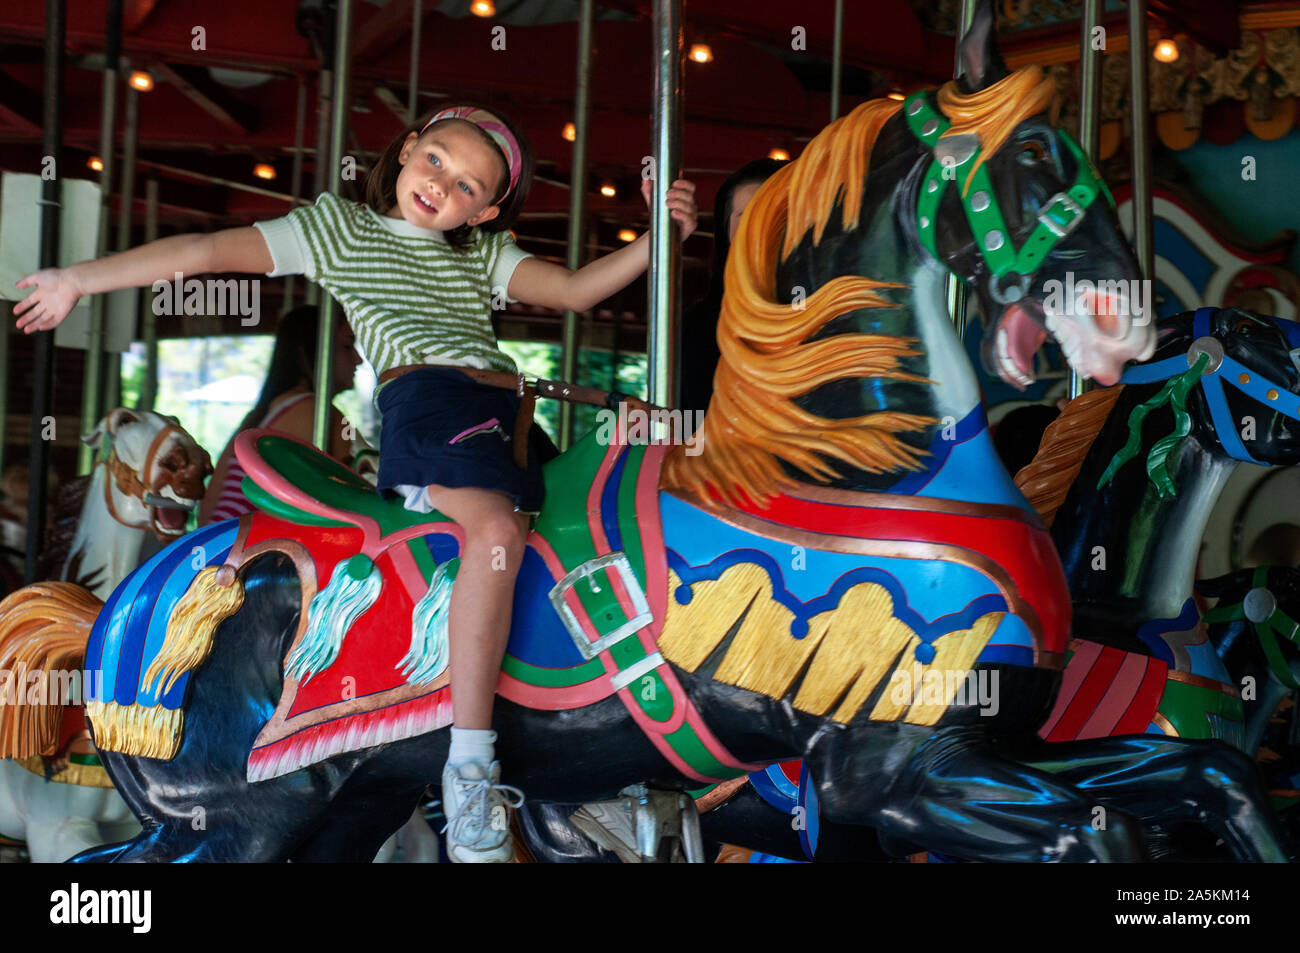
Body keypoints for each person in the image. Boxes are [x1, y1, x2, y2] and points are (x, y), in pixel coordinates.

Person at [13, 103, 696, 863]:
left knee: (586, 528)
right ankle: (470, 771)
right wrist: (77, 278)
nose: (443, 185)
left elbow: (573, 291)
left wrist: (657, 236)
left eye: (469, 185)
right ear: (407, 150)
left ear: (490, 208)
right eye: (436, 160)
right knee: (497, 534)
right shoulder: (343, 229)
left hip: (504, 413)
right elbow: (206, 248)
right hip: (430, 407)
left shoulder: (481, 254)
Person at [199, 305, 362, 526]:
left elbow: (211, 503)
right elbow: (364, 480)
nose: (358, 359)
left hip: (222, 543)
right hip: (253, 548)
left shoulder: (261, 413)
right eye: (347, 346)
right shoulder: (312, 410)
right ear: (313, 349)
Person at [680, 157, 787, 413]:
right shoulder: (699, 325)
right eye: (747, 216)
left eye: (777, 213)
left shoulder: (820, 316)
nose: (763, 228)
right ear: (726, 231)